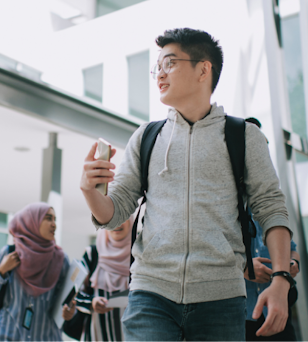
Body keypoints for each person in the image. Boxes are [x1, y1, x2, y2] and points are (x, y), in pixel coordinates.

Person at [80, 28, 293, 342]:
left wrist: (280, 280)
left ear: (203, 69)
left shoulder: (244, 136)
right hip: (151, 292)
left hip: (221, 298)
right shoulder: (146, 137)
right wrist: (89, 189)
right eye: (157, 67)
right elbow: (114, 211)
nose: (159, 74)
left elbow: (271, 209)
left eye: (170, 63)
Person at [243, 117, 300, 342]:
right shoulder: (223, 204)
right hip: (241, 316)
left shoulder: (271, 205)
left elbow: (292, 249)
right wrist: (242, 268)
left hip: (278, 311)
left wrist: (291, 264)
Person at [0, 203, 74, 341]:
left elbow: (65, 301)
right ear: (31, 222)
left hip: (46, 337)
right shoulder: (10, 254)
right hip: (8, 336)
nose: (54, 224)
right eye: (48, 218)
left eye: (55, 219)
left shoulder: (61, 260)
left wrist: (69, 312)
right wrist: (2, 271)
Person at [63, 216, 133, 341]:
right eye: (111, 219)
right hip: (96, 336)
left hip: (131, 336)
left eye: (123, 217)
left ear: (132, 221)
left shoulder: (139, 256)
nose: (117, 224)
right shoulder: (92, 254)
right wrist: (91, 303)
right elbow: (71, 294)